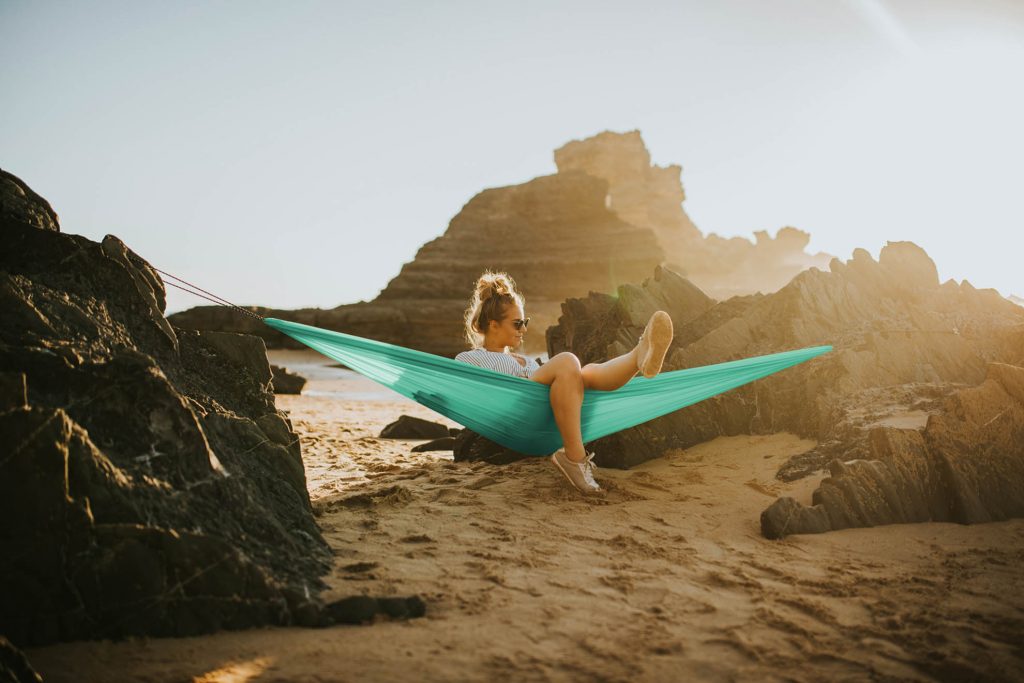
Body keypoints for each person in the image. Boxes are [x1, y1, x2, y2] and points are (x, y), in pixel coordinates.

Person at [455, 270, 674, 495]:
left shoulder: (527, 361)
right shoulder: (470, 359)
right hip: (517, 414)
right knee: (568, 361)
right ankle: (574, 458)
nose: (524, 330)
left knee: (583, 374)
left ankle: (637, 356)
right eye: (518, 323)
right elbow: (466, 391)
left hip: (546, 413)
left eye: (525, 322)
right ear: (493, 325)